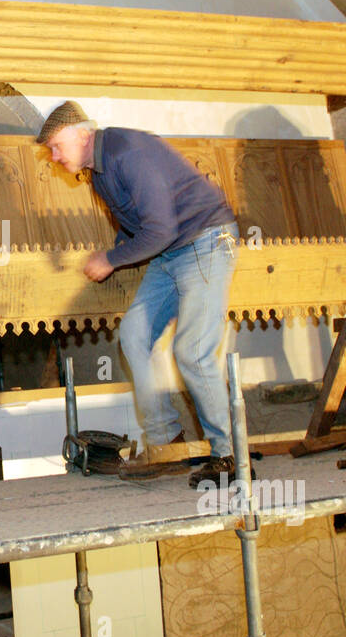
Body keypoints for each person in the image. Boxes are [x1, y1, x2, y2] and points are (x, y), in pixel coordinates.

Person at [38, 101, 241, 486]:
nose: (53, 155)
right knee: (133, 336)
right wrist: (111, 255)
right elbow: (136, 226)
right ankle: (167, 442)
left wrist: (112, 260)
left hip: (207, 240)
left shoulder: (127, 153)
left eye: (56, 145)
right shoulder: (98, 173)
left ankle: (229, 455)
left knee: (192, 351)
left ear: (83, 134)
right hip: (171, 251)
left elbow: (160, 229)